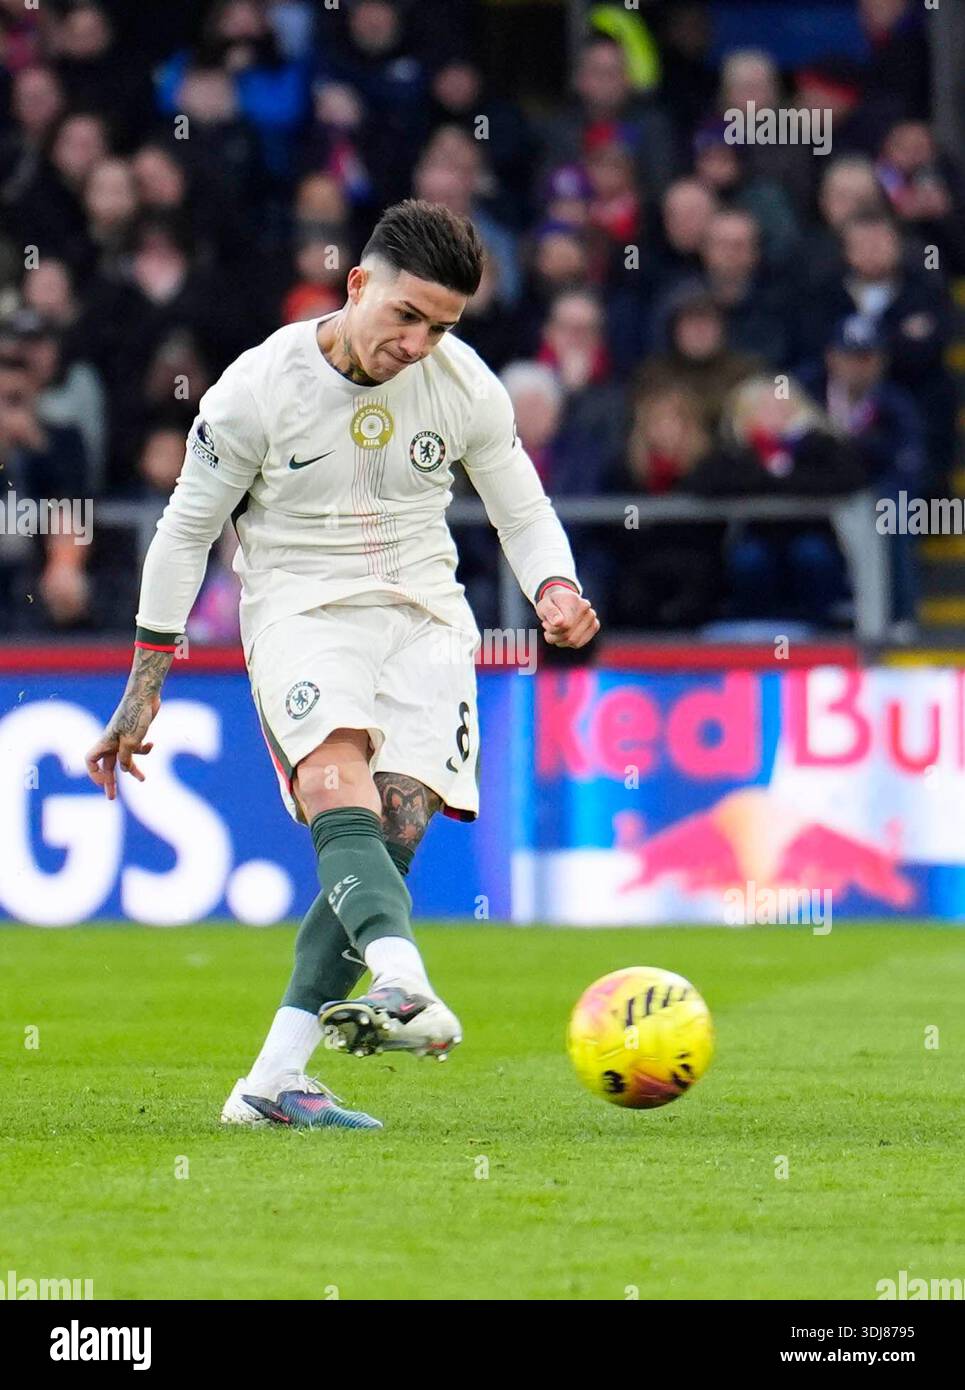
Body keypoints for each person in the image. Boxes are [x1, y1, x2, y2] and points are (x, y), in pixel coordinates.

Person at [84, 199, 599, 1131]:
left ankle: (275, 1082)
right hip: (299, 604)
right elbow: (187, 530)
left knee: (392, 832)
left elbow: (519, 505)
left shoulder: (464, 384)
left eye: (440, 326)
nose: (417, 343)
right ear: (357, 284)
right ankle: (403, 984)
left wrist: (553, 587)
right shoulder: (254, 389)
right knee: (336, 784)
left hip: (426, 615)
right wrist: (143, 683)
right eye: (405, 316)